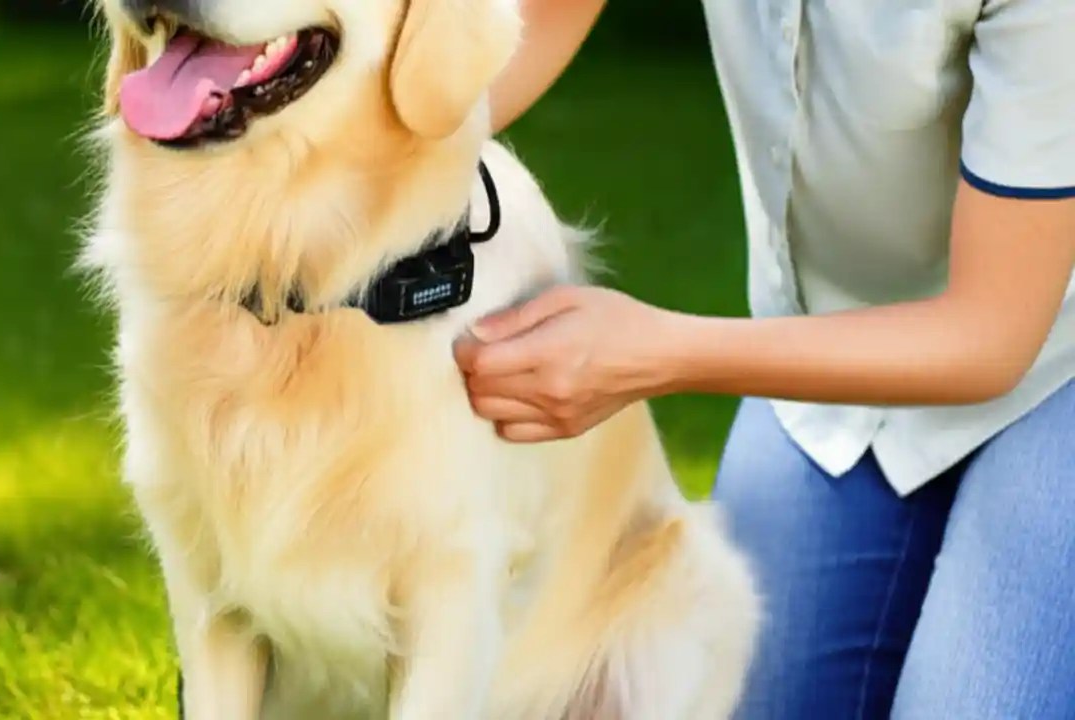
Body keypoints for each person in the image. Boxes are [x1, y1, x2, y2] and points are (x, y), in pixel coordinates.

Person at [453, 1, 1075, 717]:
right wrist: (380, 136)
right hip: (819, 368)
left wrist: (658, 353)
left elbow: (989, 339)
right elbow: (536, 22)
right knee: (729, 690)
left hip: (1051, 371)